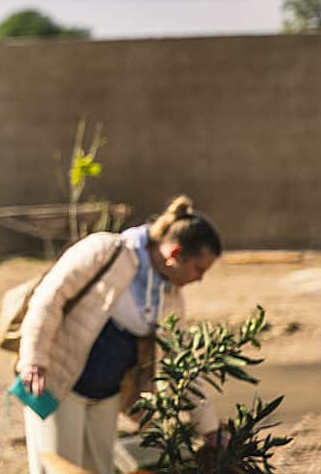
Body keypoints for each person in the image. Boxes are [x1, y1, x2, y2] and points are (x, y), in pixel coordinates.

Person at [17, 196, 222, 474]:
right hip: (55, 383)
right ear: (175, 255)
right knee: (58, 469)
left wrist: (210, 429)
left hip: (106, 396)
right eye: (199, 269)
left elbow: (181, 364)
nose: (200, 279)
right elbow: (48, 300)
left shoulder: (170, 297)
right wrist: (34, 359)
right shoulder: (104, 251)